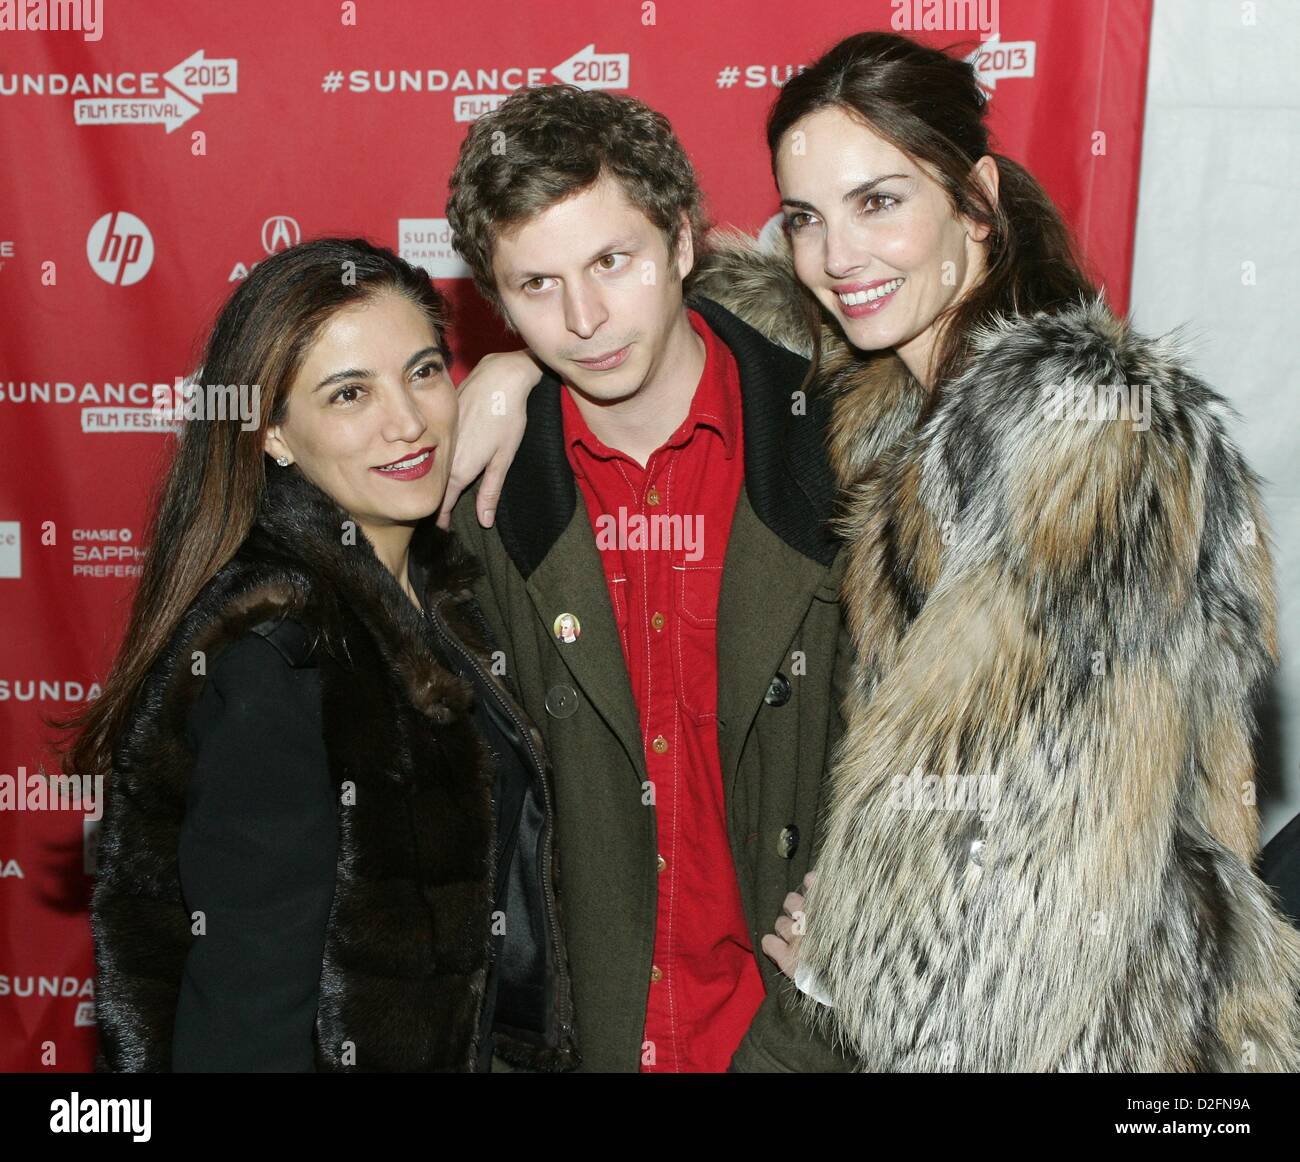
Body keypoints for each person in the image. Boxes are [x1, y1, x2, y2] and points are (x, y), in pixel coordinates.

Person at [685, 30, 1300, 1071]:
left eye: (878, 201)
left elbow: (1023, 841)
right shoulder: (900, 410)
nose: (837, 256)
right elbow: (674, 329)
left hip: (1110, 1036)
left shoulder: (1084, 441)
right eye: (804, 218)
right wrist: (513, 378)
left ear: (973, 201)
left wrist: (847, 969)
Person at [57, 238, 578, 1072]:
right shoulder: (278, 660)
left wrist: (526, 373)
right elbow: (244, 1020)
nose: (406, 422)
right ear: (272, 433)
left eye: (423, 371)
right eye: (348, 393)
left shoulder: (455, 599)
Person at [443, 84, 854, 1072]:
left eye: (610, 261)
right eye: (536, 285)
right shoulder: (479, 505)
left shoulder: (842, 461)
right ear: (496, 305)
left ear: (679, 242)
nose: (584, 318)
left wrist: (805, 1030)